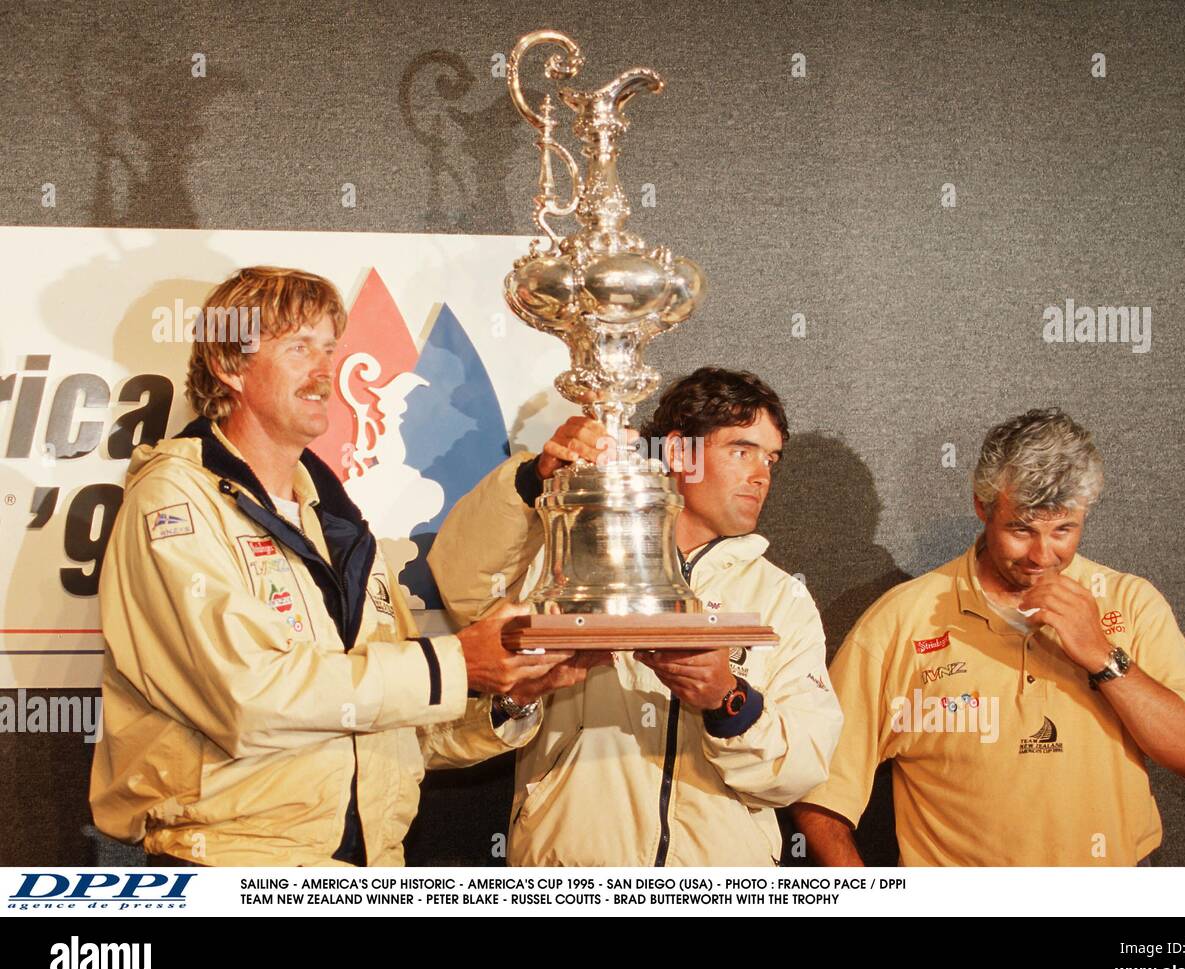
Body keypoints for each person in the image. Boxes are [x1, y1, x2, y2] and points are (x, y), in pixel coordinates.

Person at [90, 265, 580, 866]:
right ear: (229, 365)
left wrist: (503, 694)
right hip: (234, 868)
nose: (326, 373)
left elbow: (392, 719)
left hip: (368, 867)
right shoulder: (173, 501)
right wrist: (454, 663)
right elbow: (247, 700)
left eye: (330, 349)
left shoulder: (336, 522)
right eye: (298, 348)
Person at [432, 367, 843, 866]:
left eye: (770, 458)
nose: (761, 474)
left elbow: (803, 767)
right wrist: (531, 479)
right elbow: (462, 579)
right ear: (677, 452)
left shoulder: (783, 598)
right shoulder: (572, 559)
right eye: (741, 450)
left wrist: (727, 701)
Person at [792, 408, 1185, 866]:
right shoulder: (902, 620)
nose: (1042, 555)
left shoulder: (1131, 603)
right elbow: (821, 790)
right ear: (982, 507)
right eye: (1021, 529)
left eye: (1064, 530)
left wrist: (1100, 653)